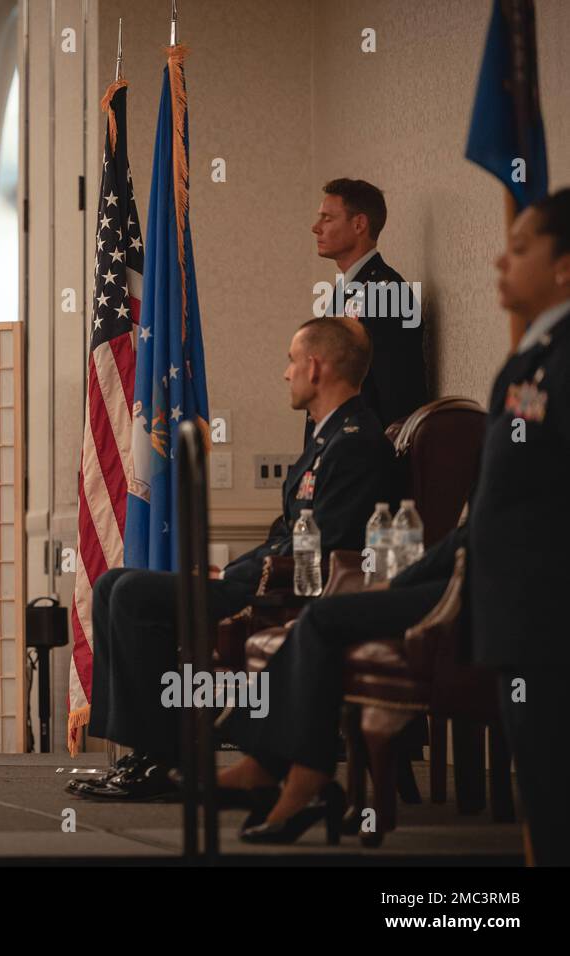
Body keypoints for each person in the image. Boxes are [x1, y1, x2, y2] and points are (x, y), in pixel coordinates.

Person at [222, 189, 570, 859]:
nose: (500, 261)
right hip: (490, 588)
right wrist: (415, 574)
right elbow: (491, 513)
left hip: (536, 602)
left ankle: (299, 777)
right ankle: (296, 772)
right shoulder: (530, 359)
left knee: (552, 801)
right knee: (327, 616)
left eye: (522, 248)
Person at [72, 317, 396, 801]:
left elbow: (325, 547)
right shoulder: (331, 437)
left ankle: (161, 758)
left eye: (291, 361)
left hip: (283, 592)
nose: (287, 373)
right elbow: (291, 533)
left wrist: (239, 576)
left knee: (131, 593)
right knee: (112, 585)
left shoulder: (356, 443)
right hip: (262, 579)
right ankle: (145, 752)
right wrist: (233, 570)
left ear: (315, 366)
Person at [310, 178, 428, 441]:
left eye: (327, 219)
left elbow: (397, 399)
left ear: (359, 224)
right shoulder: (351, 288)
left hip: (362, 461)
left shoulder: (385, 293)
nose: (315, 228)